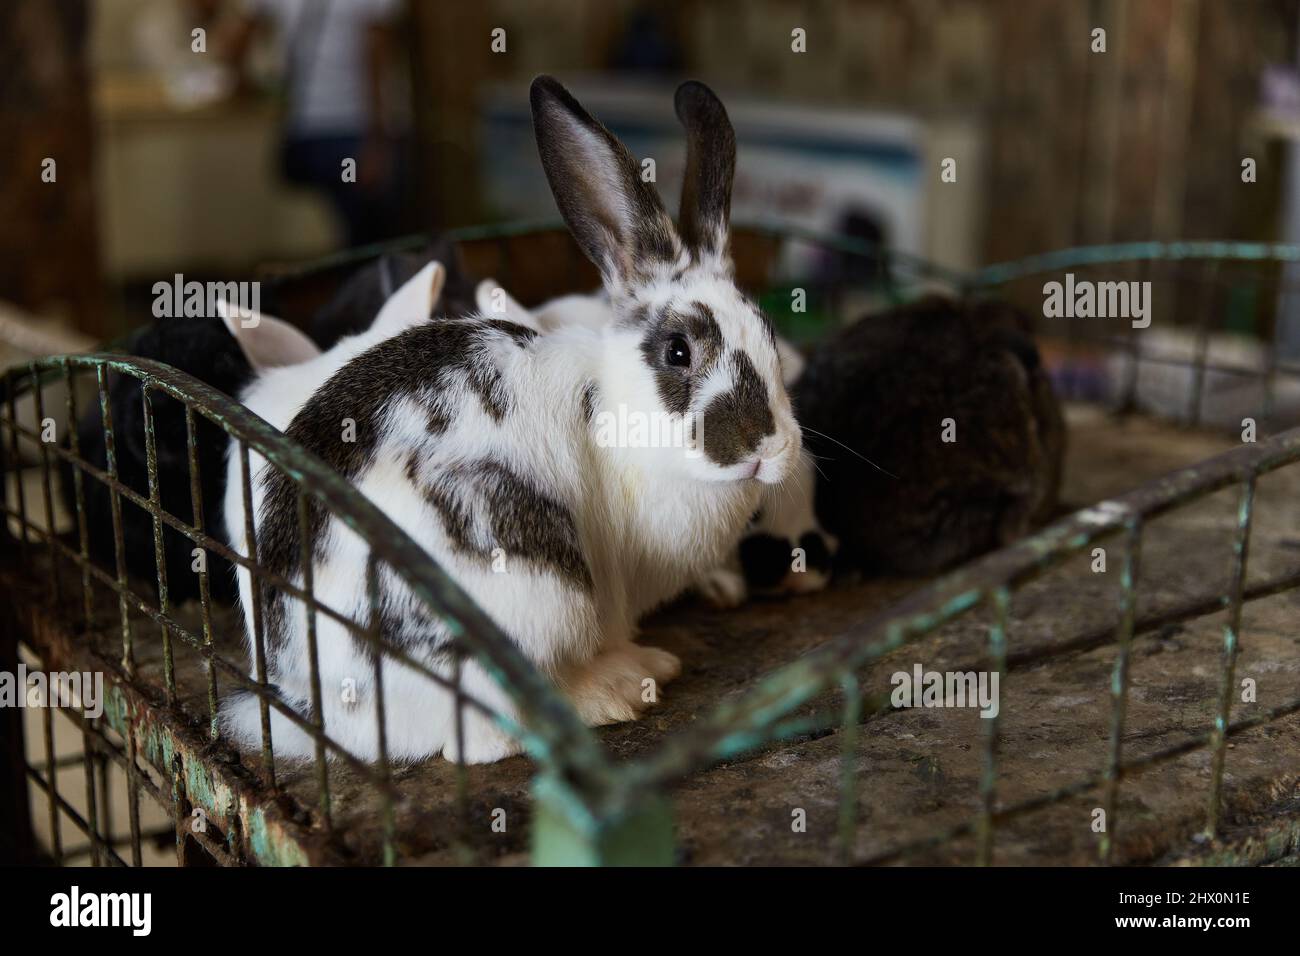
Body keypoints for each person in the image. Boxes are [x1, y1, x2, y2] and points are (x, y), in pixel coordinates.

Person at [223, 0, 411, 247]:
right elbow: (374, 60)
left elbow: (232, 44)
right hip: (353, 136)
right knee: (369, 239)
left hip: (306, 136)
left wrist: (251, 87)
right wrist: (376, 140)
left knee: (344, 230)